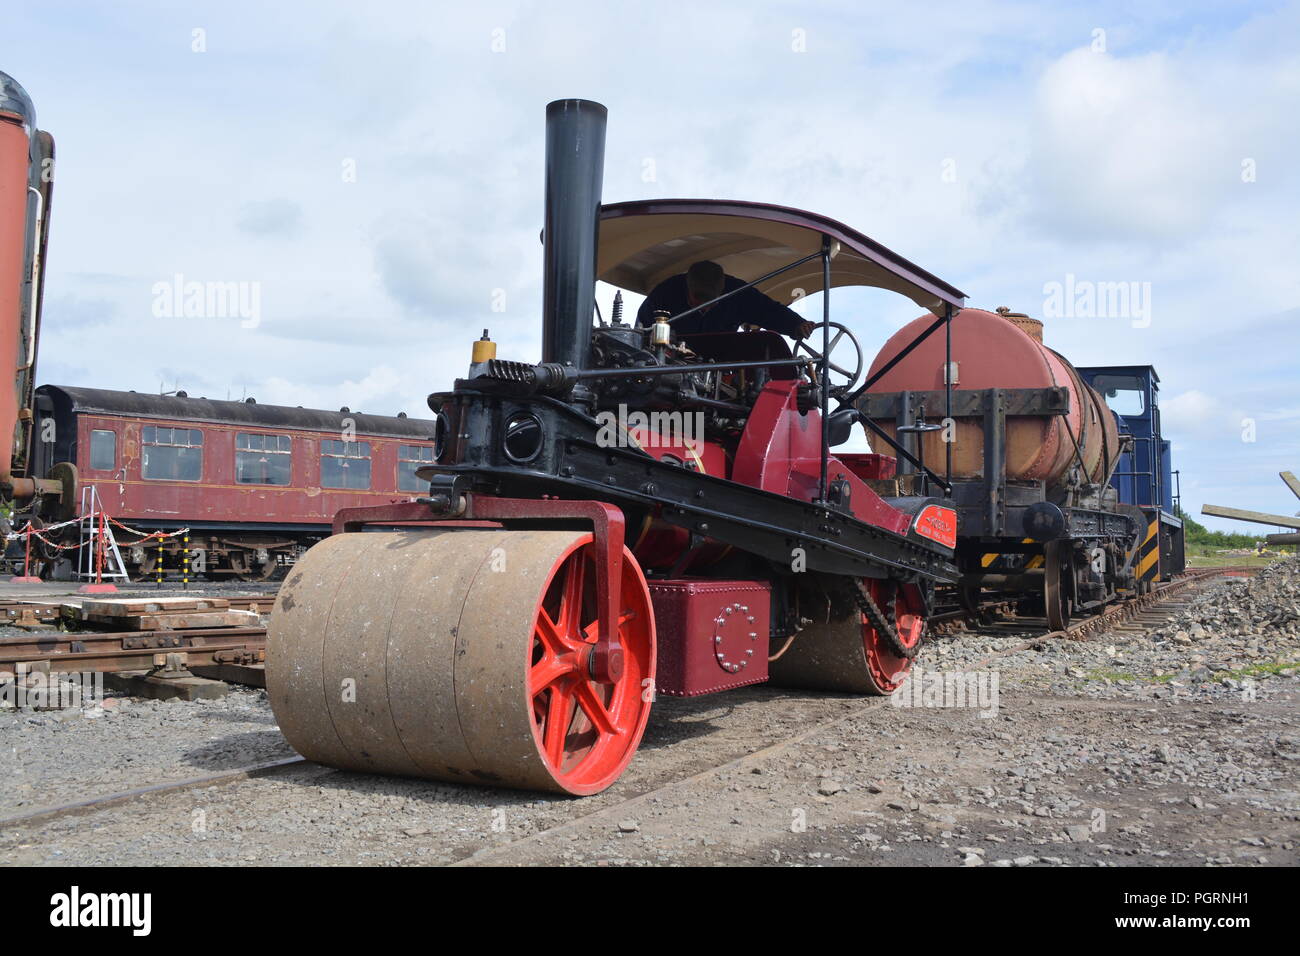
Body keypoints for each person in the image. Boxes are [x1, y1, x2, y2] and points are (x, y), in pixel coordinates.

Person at [635, 260, 816, 339]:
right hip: (670, 360)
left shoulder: (739, 293)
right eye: (695, 304)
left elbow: (768, 310)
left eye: (710, 304)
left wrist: (796, 324)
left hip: (720, 362)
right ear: (686, 287)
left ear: (722, 292)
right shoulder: (666, 292)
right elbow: (642, 326)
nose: (704, 310)